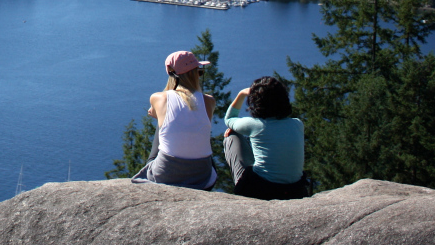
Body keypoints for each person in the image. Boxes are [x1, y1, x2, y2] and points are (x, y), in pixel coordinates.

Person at [131, 50, 217, 190]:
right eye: (199, 72)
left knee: (162, 125)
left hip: (165, 175)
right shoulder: (209, 101)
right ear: (195, 74)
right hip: (201, 178)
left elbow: (157, 113)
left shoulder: (158, 98)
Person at [224, 76, 309, 200]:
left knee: (232, 136)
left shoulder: (254, 125)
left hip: (261, 191)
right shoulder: (297, 124)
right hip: (295, 191)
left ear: (255, 102)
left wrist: (242, 93)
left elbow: (229, 118)